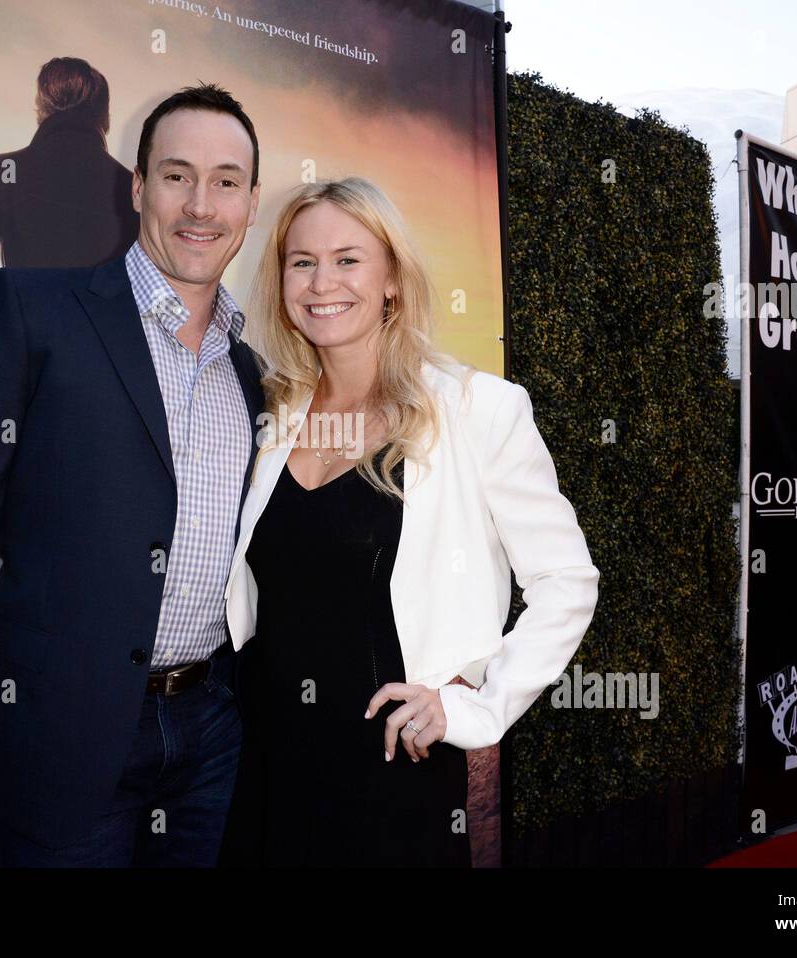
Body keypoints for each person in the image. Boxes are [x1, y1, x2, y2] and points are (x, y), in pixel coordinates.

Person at [0, 82, 264, 867]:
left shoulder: (250, 371)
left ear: (251, 203)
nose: (201, 204)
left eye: (227, 181)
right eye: (176, 174)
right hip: (60, 745)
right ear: (137, 186)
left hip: (211, 742)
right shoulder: (27, 310)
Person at [220, 177, 599, 867]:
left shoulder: (477, 409)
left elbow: (567, 580)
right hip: (265, 757)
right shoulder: (271, 414)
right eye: (301, 262)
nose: (320, 281)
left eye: (348, 259)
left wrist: (479, 707)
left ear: (392, 277)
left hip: (394, 761)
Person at [0, 57, 139, 320]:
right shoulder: (133, 188)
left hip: (27, 351)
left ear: (41, 110)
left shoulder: (4, 170)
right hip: (105, 354)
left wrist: (8, 336)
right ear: (105, 118)